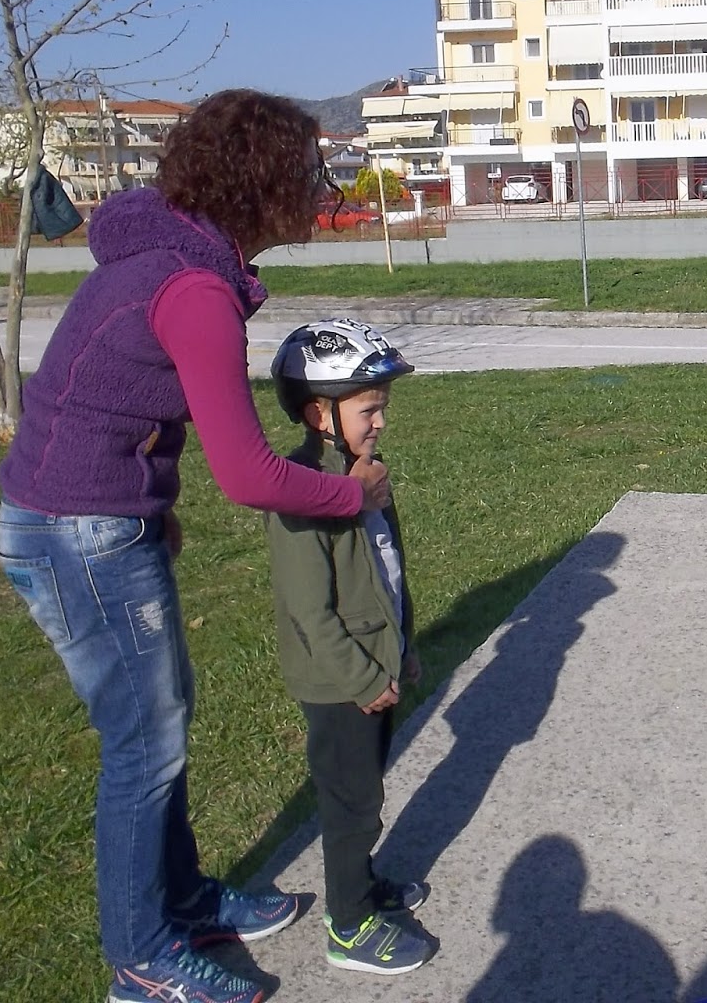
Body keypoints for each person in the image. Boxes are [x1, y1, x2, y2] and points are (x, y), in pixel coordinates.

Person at [0, 91, 394, 1003]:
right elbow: (250, 473)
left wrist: (146, 497)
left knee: (156, 726)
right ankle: (141, 960)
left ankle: (180, 899)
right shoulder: (196, 288)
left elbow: (122, 399)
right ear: (262, 182)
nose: (315, 184)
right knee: (144, 745)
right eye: (304, 169)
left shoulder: (173, 249)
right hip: (78, 532)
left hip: (97, 518)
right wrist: (349, 490)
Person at [266, 320, 438, 976]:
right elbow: (310, 609)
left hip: (377, 666)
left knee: (366, 794)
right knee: (350, 802)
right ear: (319, 412)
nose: (381, 422)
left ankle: (360, 890)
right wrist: (363, 678)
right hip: (340, 682)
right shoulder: (297, 490)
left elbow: (389, 574)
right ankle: (346, 928)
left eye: (383, 408)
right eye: (370, 409)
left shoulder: (366, 477)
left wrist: (405, 647)